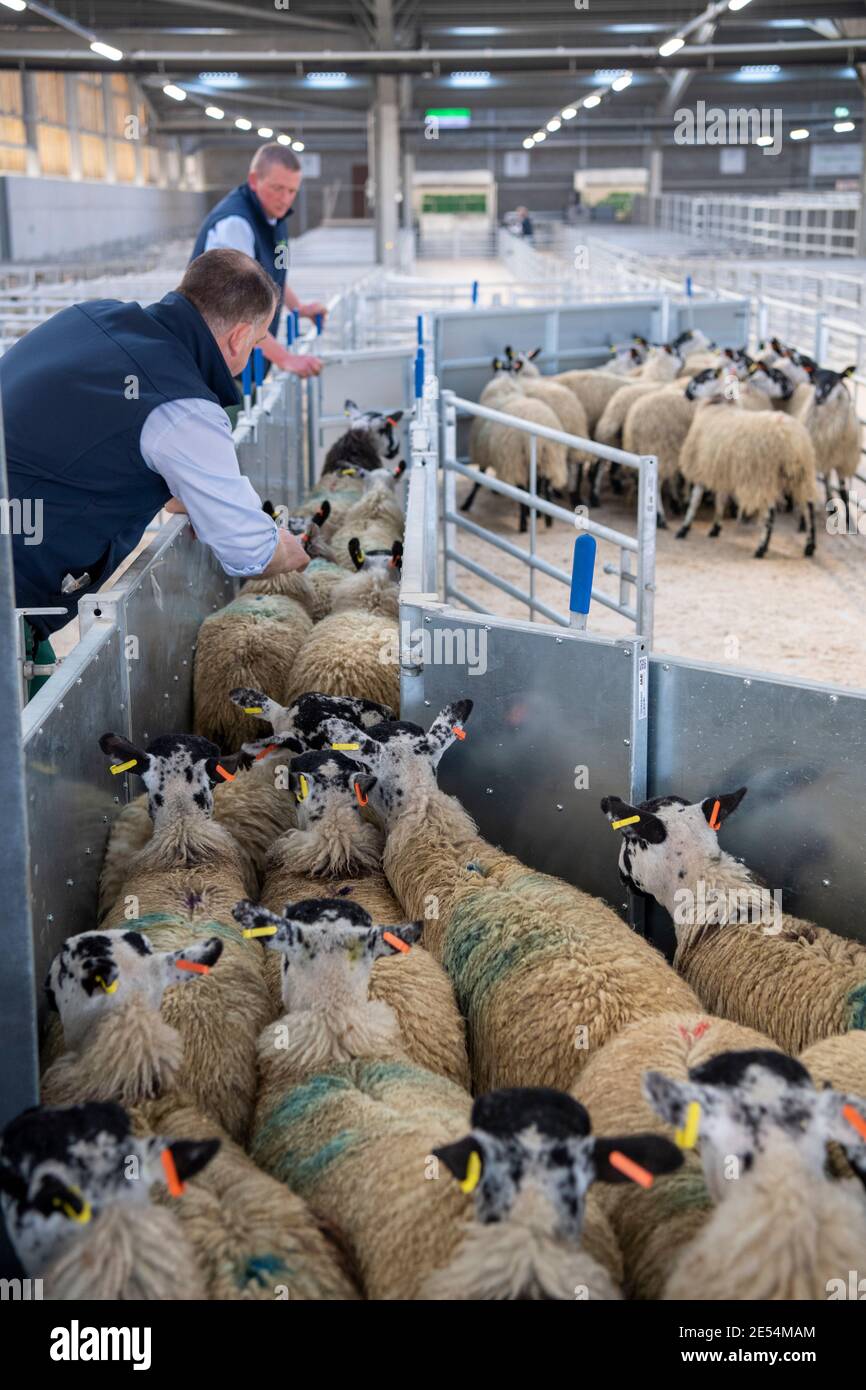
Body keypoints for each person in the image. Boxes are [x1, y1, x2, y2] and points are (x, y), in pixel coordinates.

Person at [2, 249, 310, 669]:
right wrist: (289, 550)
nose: (253, 352)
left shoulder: (91, 316)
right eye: (258, 342)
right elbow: (248, 551)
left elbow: (93, 446)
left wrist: (200, 501)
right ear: (239, 337)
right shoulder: (183, 406)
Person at [191, 143, 325, 379]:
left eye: (292, 191)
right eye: (277, 188)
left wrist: (298, 308)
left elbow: (268, 277)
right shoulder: (235, 225)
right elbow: (237, 308)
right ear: (254, 180)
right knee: (235, 415)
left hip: (245, 358)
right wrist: (285, 358)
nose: (285, 199)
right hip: (219, 367)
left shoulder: (274, 216)